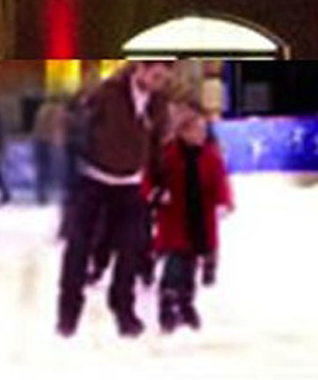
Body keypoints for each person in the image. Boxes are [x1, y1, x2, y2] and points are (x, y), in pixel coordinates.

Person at [55, 60, 171, 340]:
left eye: (164, 79)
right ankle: (68, 313)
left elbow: (157, 144)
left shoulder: (159, 102)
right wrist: (79, 163)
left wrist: (160, 181)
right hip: (92, 182)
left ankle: (123, 309)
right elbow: (76, 129)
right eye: (156, 75)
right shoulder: (107, 93)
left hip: (130, 186)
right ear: (139, 69)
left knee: (131, 250)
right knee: (78, 250)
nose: (158, 83)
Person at [145, 105, 233, 334]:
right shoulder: (168, 155)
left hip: (200, 223)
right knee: (174, 266)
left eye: (203, 130)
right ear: (183, 132)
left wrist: (224, 202)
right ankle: (167, 304)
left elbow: (221, 183)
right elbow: (149, 178)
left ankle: (186, 304)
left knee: (190, 268)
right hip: (175, 221)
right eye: (197, 130)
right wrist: (155, 194)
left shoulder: (211, 156)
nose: (202, 135)